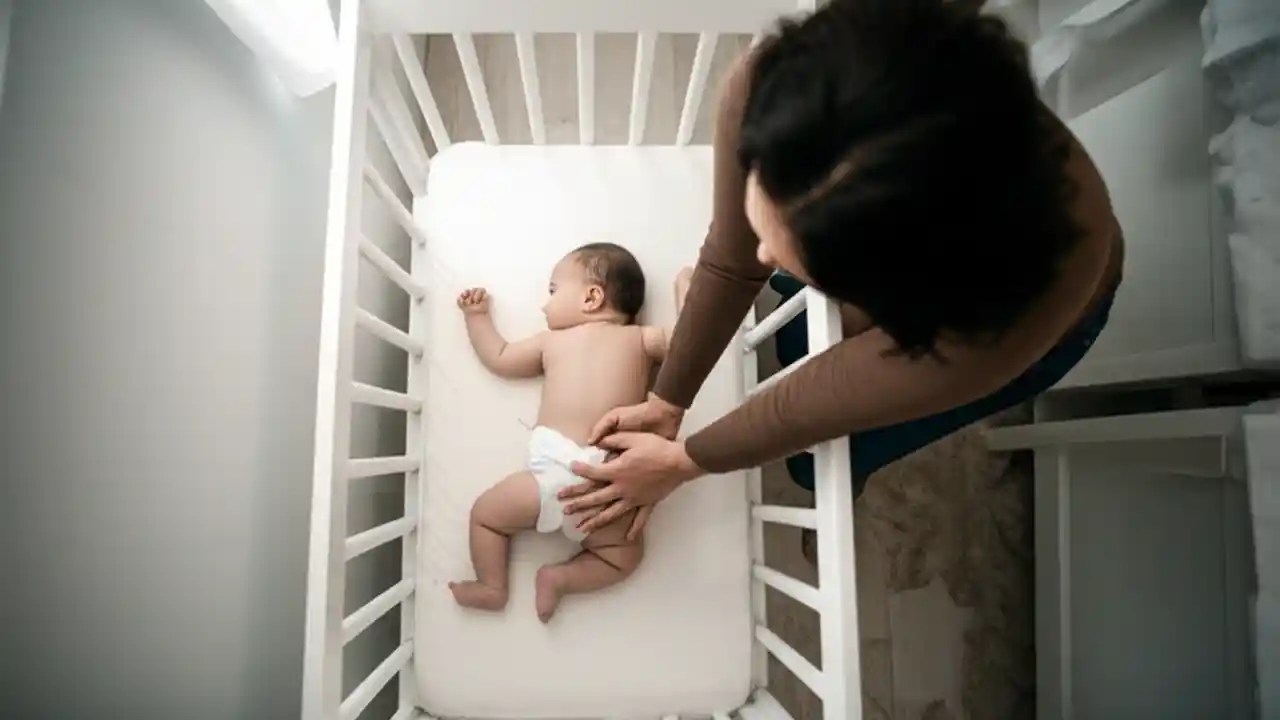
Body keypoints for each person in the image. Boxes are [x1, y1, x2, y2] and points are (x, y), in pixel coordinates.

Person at [560, 0, 1124, 540]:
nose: (762, 256)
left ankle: (847, 469)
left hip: (1032, 321)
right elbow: (732, 260)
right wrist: (667, 400)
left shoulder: (996, 327)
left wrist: (682, 462)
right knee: (792, 326)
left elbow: (805, 407)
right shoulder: (783, 85)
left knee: (836, 444)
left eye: (787, 253)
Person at [448, 242, 691, 622]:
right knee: (622, 558)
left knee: (486, 518)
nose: (544, 305)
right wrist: (478, 318)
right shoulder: (629, 340)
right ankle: (552, 580)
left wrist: (686, 292)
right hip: (605, 487)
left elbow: (687, 343)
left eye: (552, 291)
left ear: (592, 297)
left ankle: (498, 585)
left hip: (586, 477)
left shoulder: (635, 338)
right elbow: (500, 357)